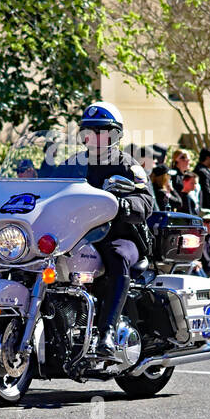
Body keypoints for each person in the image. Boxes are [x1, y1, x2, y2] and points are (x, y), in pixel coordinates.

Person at [70, 101, 155, 372]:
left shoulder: (127, 165)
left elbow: (146, 202)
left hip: (118, 236)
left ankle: (106, 332)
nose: (95, 138)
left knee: (117, 257)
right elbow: (45, 187)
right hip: (74, 238)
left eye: (102, 132)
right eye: (90, 132)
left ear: (115, 135)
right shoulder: (71, 165)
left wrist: (125, 205)